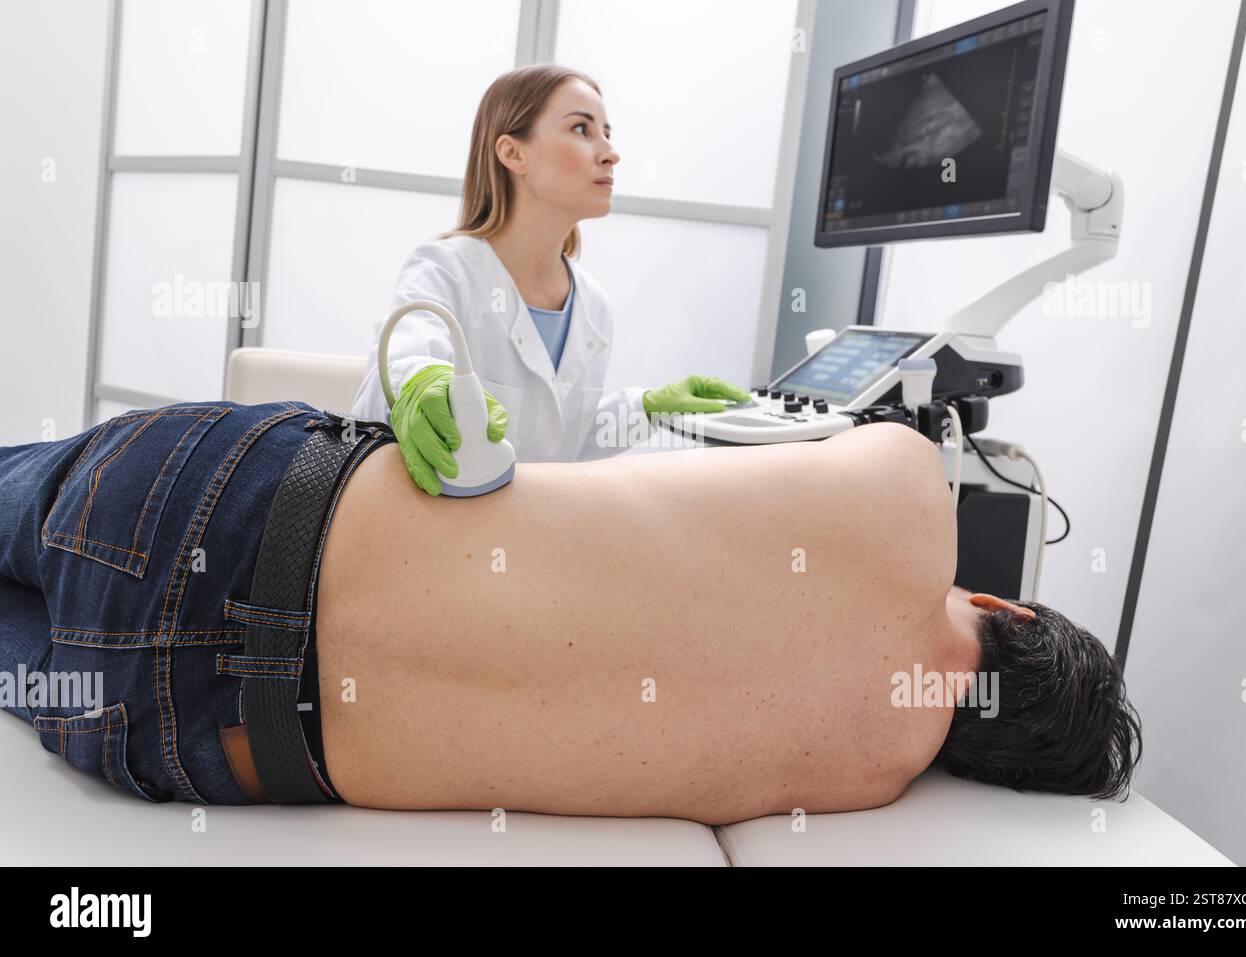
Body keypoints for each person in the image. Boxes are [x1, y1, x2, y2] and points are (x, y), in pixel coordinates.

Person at [0, 401, 1141, 823]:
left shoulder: (899, 484)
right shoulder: (862, 783)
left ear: (1010, 605)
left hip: (217, 501)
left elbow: (798, 437)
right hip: (185, 731)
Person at [349, 63, 750, 495]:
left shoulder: (592, 303)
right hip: (436, 525)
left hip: (530, 528)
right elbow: (404, 362)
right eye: (581, 129)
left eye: (608, 133)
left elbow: (561, 443)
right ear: (513, 153)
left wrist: (647, 407)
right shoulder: (447, 269)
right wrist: (420, 382)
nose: (610, 153)